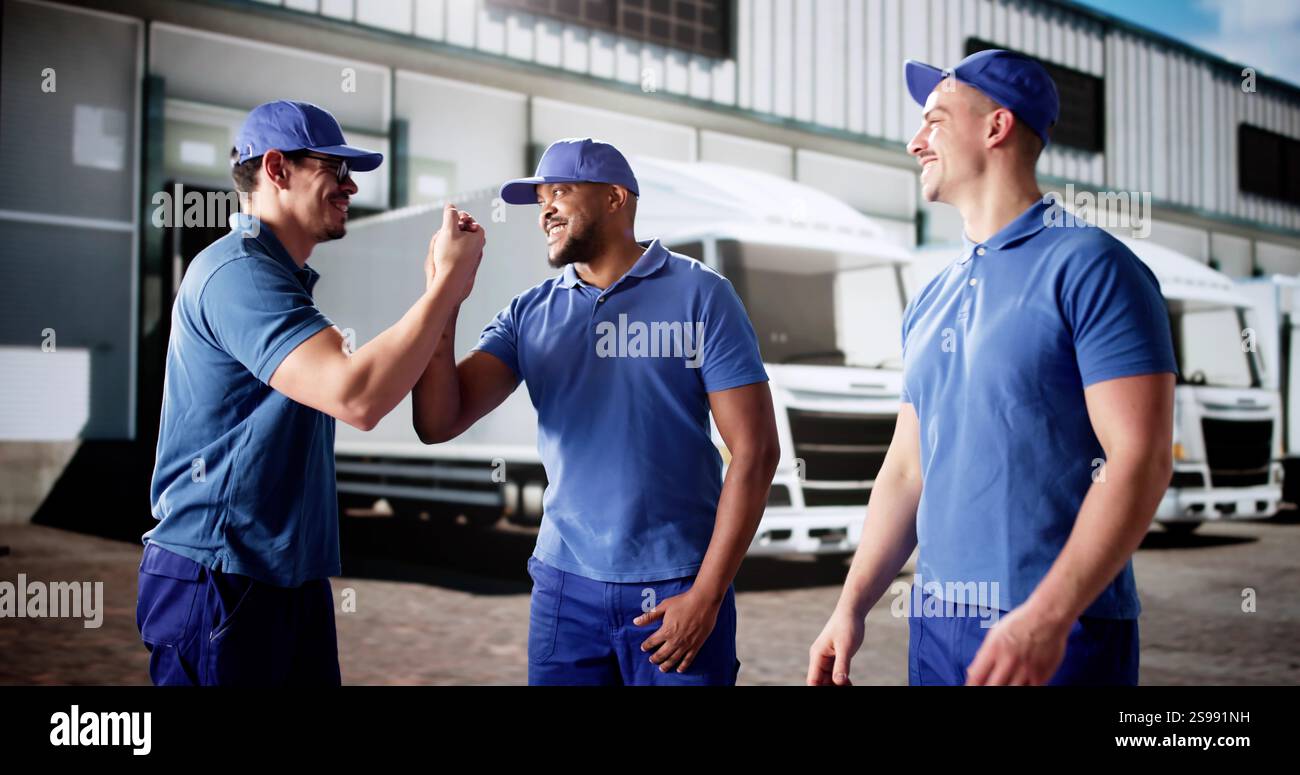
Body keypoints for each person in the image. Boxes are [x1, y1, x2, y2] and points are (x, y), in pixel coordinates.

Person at [807, 50, 1176, 686]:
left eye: (935, 121)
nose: (914, 141)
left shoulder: (1092, 267)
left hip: (1059, 628)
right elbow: (905, 470)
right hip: (938, 621)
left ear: (996, 127)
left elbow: (1139, 457)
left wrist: (1049, 615)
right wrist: (851, 604)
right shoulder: (932, 295)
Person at [136, 100, 484, 685]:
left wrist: (440, 295)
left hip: (281, 580)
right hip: (221, 577)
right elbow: (357, 398)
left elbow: (363, 385)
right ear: (276, 168)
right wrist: (445, 287)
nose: (350, 186)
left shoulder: (278, 279)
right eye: (335, 169)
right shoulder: (237, 274)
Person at [412, 138, 780, 685]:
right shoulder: (528, 312)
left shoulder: (702, 296)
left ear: (614, 198)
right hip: (565, 592)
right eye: (540, 200)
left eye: (560, 191)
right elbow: (439, 422)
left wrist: (707, 595)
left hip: (677, 588)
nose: (546, 211)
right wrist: (445, 294)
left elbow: (756, 452)